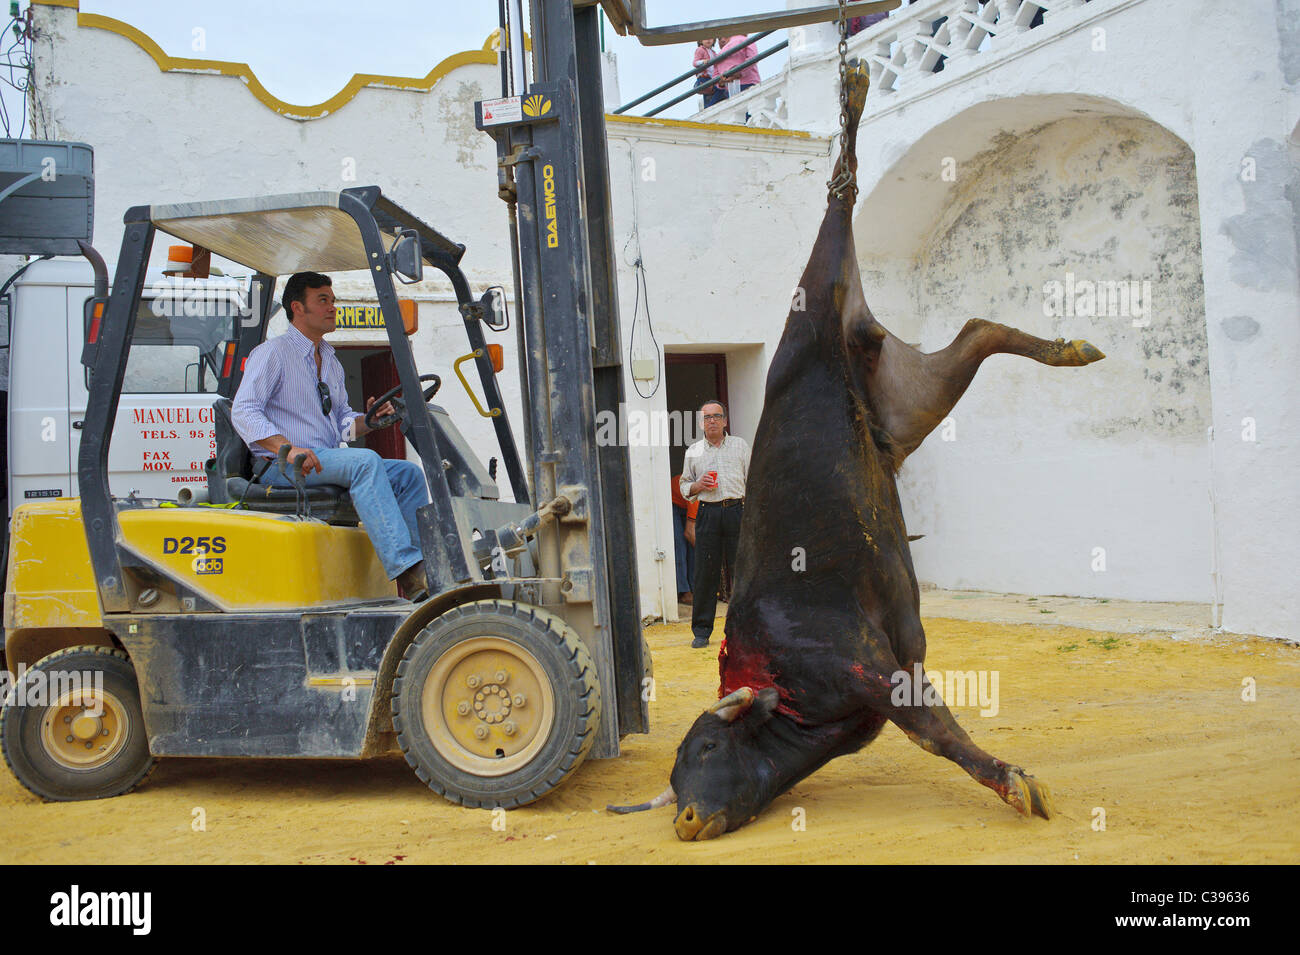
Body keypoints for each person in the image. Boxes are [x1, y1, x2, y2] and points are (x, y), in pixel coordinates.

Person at [231, 271, 431, 600]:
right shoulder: (273, 354)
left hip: (324, 459)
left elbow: (343, 426)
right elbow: (244, 410)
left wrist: (369, 420)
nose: (332, 307)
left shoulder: (332, 361)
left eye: (333, 300)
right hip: (282, 466)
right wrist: (289, 449)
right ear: (298, 307)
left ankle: (429, 567)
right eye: (323, 300)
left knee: (408, 473)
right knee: (365, 462)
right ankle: (408, 571)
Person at [679, 400, 750, 648]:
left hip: (736, 511)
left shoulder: (740, 446)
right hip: (708, 513)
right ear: (701, 423)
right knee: (705, 573)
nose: (712, 421)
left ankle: (745, 629)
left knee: (741, 572)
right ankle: (701, 631)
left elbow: (752, 480)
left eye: (716, 416)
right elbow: (684, 486)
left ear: (725, 421)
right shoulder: (694, 451)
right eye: (707, 417)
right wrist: (698, 486)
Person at [671, 472, 699, 605]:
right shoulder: (697, 495)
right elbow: (689, 533)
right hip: (673, 501)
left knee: (694, 548)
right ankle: (683, 592)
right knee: (680, 546)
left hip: (686, 502)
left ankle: (694, 589)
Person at [693, 38, 728, 109]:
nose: (708, 40)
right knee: (717, 90)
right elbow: (695, 63)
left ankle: (709, 107)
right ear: (700, 40)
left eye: (711, 38)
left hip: (712, 77)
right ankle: (709, 107)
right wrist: (703, 61)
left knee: (716, 92)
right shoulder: (700, 49)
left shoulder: (714, 53)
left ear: (714, 40)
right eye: (705, 38)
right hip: (704, 78)